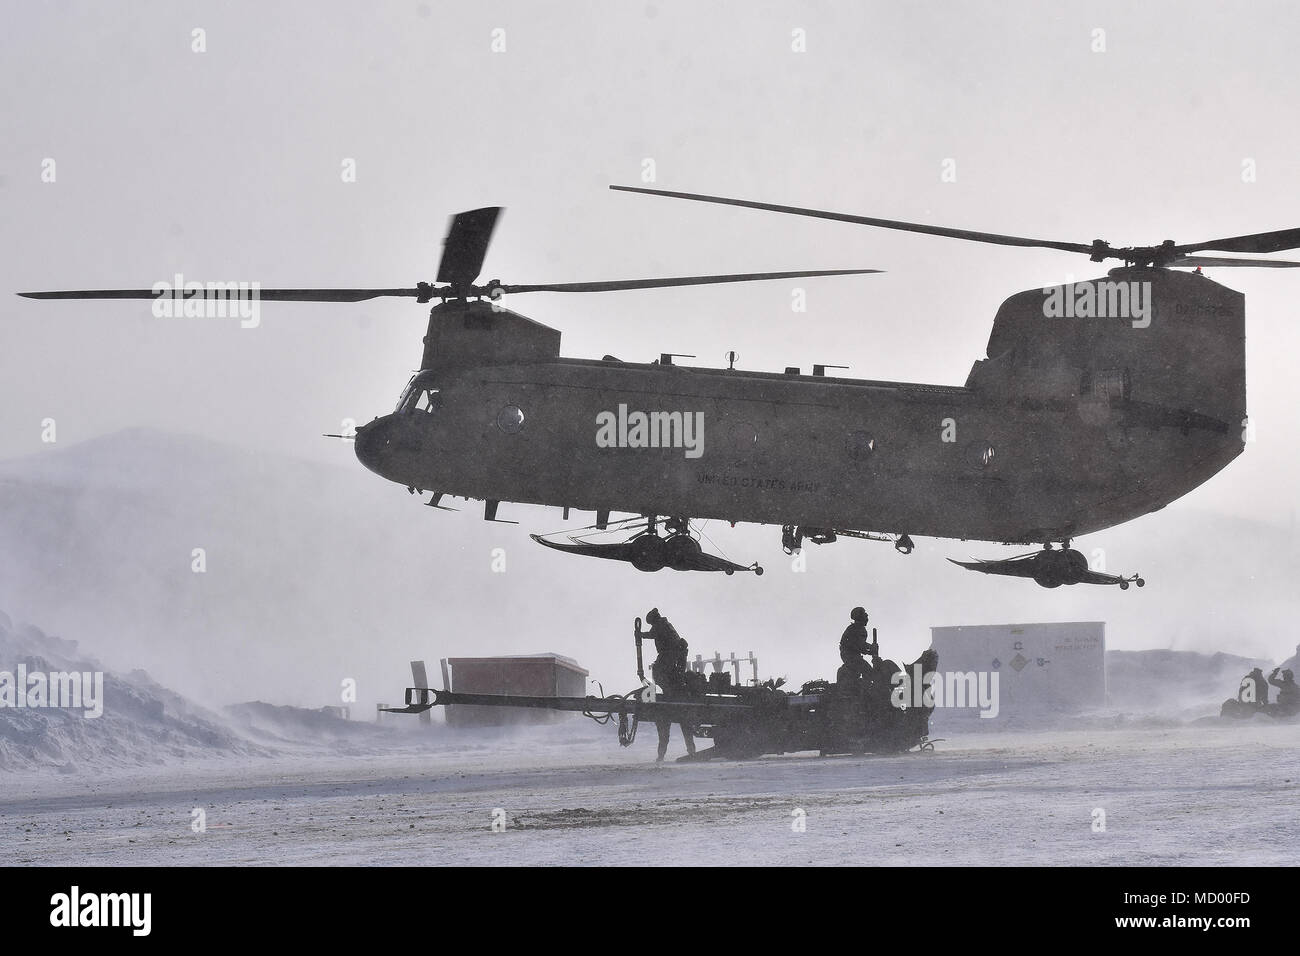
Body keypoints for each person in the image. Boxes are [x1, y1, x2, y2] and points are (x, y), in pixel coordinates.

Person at [641, 608, 697, 761]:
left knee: (659, 671)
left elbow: (653, 634)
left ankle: (676, 754)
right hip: (672, 663)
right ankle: (688, 752)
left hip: (671, 659)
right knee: (682, 727)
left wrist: (640, 635)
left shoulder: (662, 625)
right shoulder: (664, 625)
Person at [838, 607, 879, 682]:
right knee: (868, 671)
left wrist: (871, 647)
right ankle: (866, 690)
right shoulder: (857, 629)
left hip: (850, 655)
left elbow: (861, 644)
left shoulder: (855, 628)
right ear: (860, 617)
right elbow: (858, 645)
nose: (867, 616)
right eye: (864, 615)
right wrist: (871, 651)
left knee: (866, 671)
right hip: (850, 656)